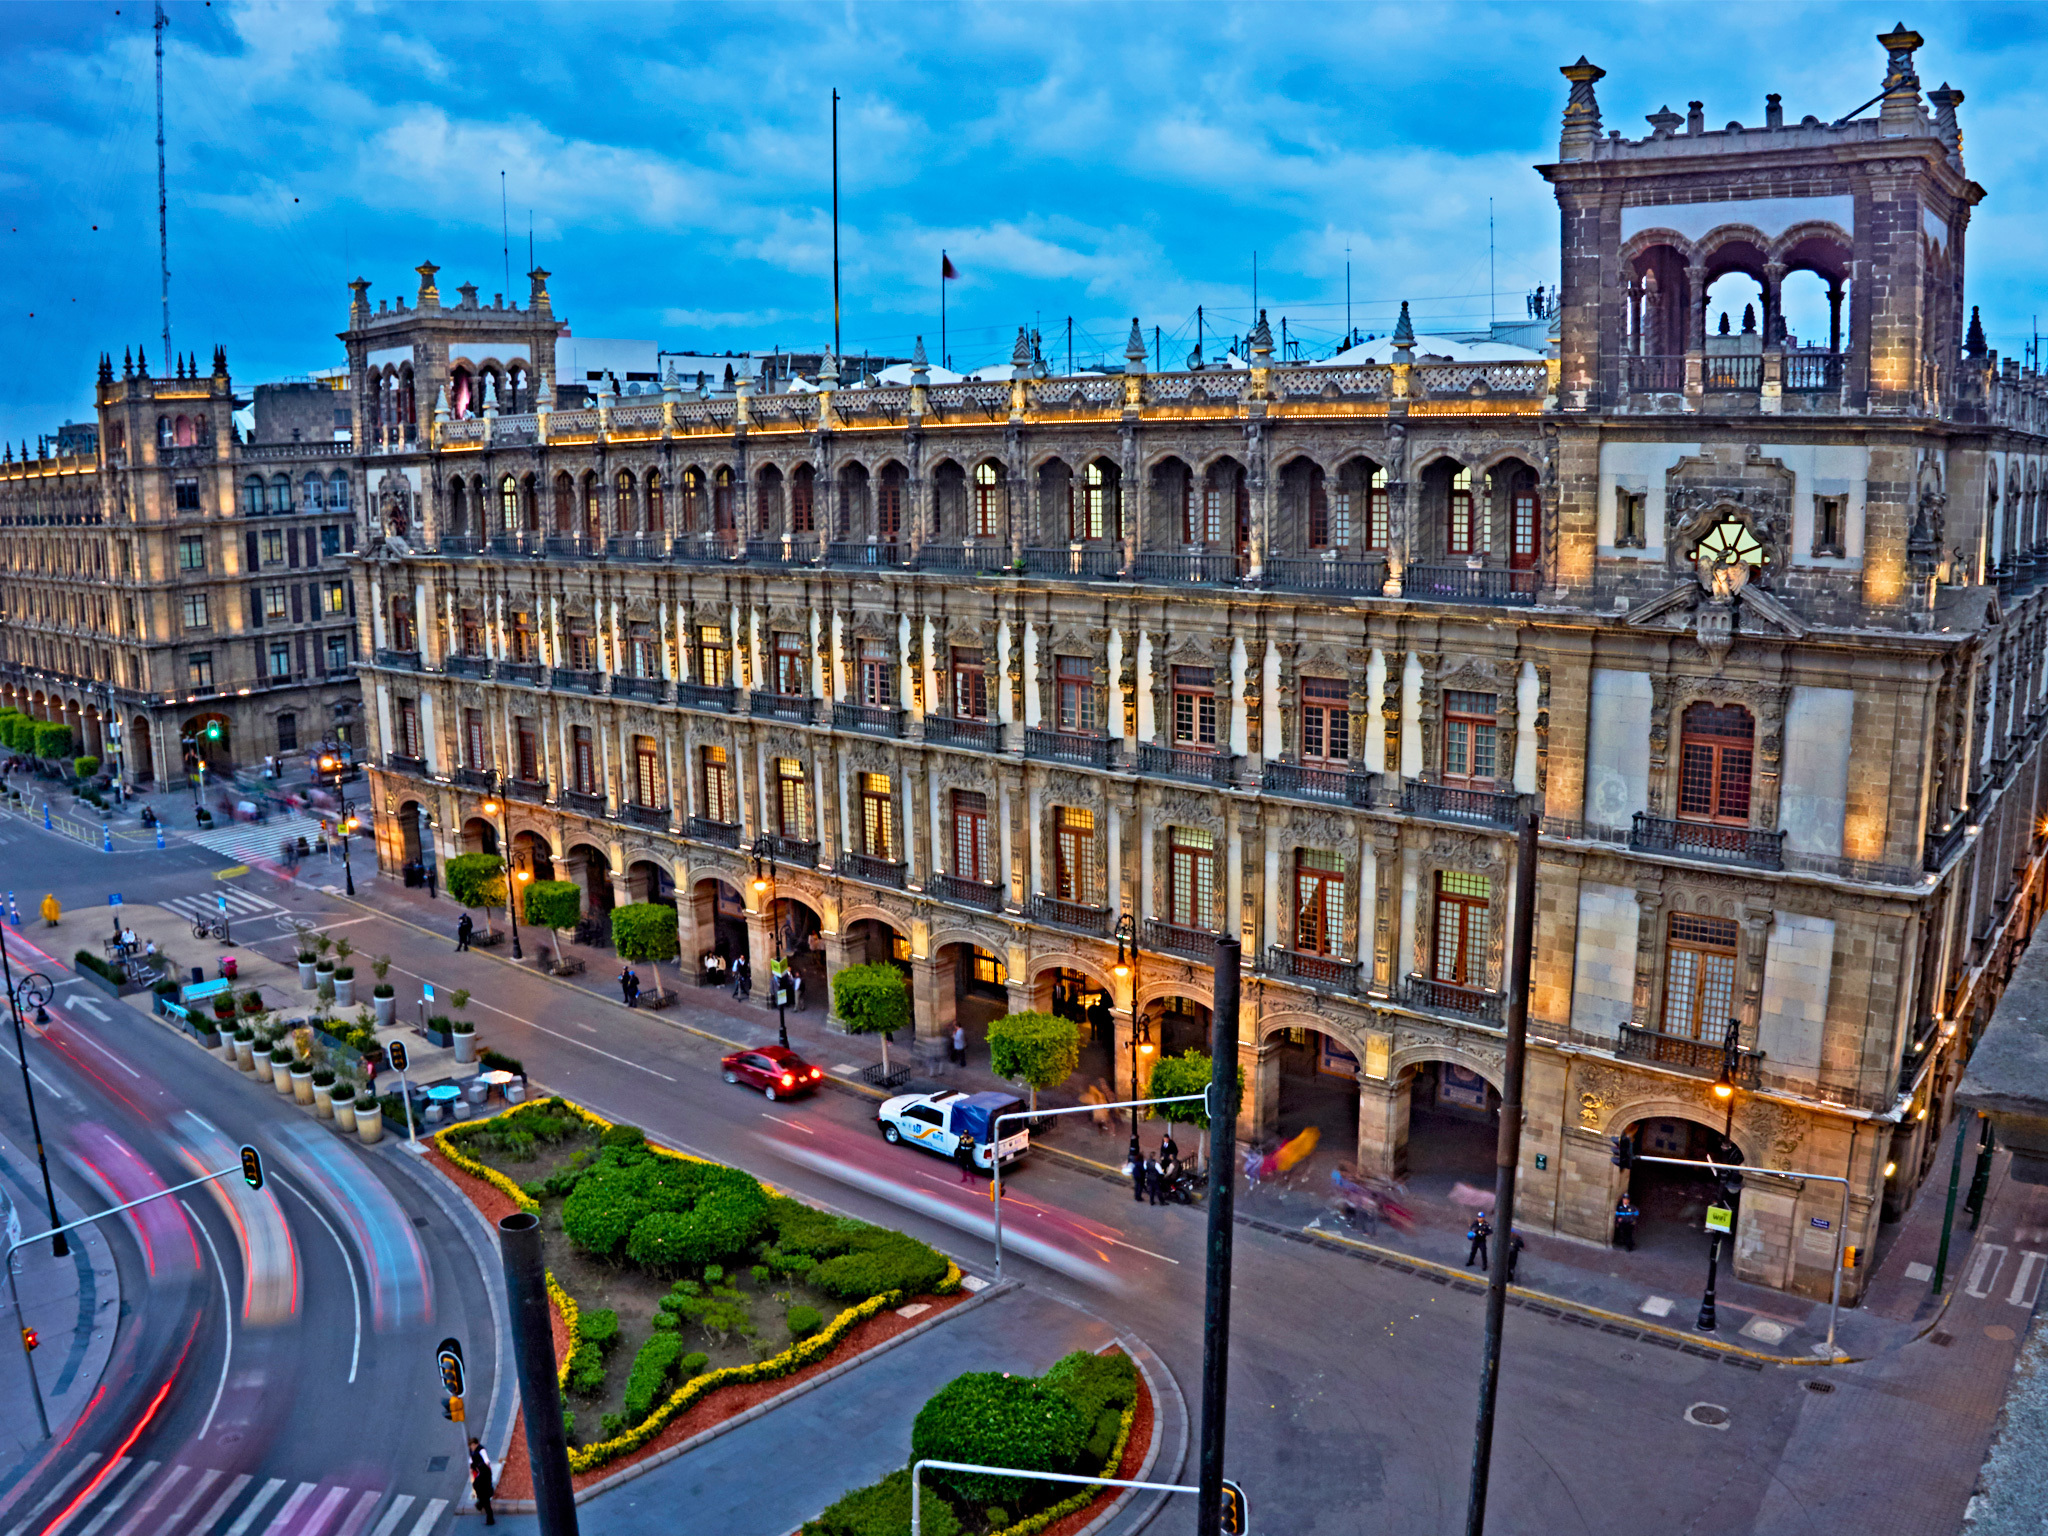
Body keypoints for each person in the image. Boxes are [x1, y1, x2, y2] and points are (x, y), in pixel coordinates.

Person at [468, 1437, 495, 1526]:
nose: (471, 1447)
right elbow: (471, 1462)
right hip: (481, 1474)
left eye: (472, 1445)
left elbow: (486, 1461)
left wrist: (483, 1470)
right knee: (480, 1490)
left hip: (484, 1474)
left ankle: (482, 1507)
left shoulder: (481, 1450)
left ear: (476, 1444)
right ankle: (481, 1504)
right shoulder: (472, 1452)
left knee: (484, 1496)